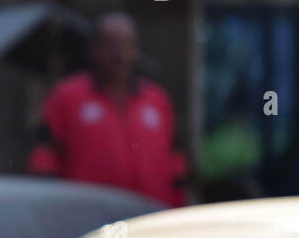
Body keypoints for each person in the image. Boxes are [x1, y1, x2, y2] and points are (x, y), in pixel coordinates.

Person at [27, 12, 186, 207]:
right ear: (94, 49)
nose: (119, 54)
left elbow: (177, 165)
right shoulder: (66, 97)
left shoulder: (157, 100)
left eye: (127, 45)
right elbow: (43, 160)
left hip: (150, 219)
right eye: (111, 44)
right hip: (87, 217)